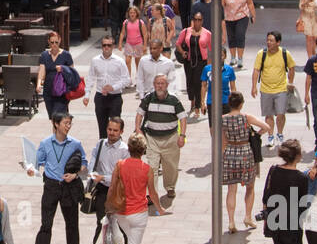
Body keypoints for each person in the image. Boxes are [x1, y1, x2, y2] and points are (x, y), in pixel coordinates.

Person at [109, 133, 168, 244]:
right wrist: (160, 209)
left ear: (129, 148)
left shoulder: (120, 165)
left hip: (121, 212)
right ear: (143, 151)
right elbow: (153, 193)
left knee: (130, 241)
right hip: (139, 213)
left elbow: (112, 187)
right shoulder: (147, 169)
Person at [27, 112, 85, 244]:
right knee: (46, 224)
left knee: (71, 223)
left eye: (69, 123)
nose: (68, 126)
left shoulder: (75, 143)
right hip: (51, 187)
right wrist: (31, 170)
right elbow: (36, 163)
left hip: (68, 187)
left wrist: (75, 174)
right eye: (65, 123)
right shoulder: (45, 143)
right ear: (56, 124)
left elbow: (85, 163)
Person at [135, 72, 189, 202]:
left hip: (170, 138)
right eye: (157, 83)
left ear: (167, 85)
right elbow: (139, 114)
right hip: (152, 138)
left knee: (170, 166)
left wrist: (182, 136)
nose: (160, 86)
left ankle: (170, 187)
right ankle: (152, 194)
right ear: (154, 85)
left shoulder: (174, 100)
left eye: (162, 84)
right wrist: (138, 129)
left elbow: (183, 118)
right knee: (152, 167)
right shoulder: (148, 98)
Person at [221, 92, 270, 233]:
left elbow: (223, 140)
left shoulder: (223, 119)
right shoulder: (246, 117)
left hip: (230, 152)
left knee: (231, 189)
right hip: (246, 152)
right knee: (250, 187)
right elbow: (266, 126)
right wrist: (256, 134)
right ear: (241, 104)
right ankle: (248, 216)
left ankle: (231, 221)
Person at [86, 118, 130, 244]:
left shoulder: (125, 150)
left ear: (121, 132)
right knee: (101, 224)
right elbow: (93, 163)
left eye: (115, 130)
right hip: (103, 190)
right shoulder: (100, 144)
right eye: (110, 129)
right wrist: (93, 175)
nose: (112, 133)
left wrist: (104, 177)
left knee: (120, 222)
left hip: (118, 191)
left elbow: (124, 176)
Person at [252, 31, 296, 148]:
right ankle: (270, 136)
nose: (268, 42)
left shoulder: (285, 53)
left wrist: (290, 83)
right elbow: (256, 70)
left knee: (281, 114)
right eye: (268, 40)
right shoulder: (262, 54)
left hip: (281, 89)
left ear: (278, 42)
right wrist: (253, 86)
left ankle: (280, 134)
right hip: (266, 90)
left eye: (271, 40)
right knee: (268, 115)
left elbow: (291, 68)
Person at [83, 36, 131, 140]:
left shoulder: (119, 61)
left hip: (115, 97)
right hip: (100, 97)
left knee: (115, 126)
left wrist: (113, 87)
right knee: (102, 127)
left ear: (113, 46)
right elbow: (90, 78)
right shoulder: (95, 60)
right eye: (104, 45)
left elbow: (127, 80)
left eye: (109, 45)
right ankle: (103, 150)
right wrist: (87, 95)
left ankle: (117, 148)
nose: (106, 47)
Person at [176, 11, 212, 117]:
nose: (197, 22)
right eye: (195, 19)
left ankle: (198, 106)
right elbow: (178, 44)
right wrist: (183, 52)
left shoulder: (207, 33)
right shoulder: (186, 31)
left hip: (202, 62)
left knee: (198, 83)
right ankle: (192, 101)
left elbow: (211, 49)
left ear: (202, 21)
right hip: (189, 61)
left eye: (199, 20)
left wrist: (209, 66)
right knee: (190, 83)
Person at [35, 31, 75, 120]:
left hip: (61, 92)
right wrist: (38, 84)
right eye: (52, 42)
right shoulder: (44, 55)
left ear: (60, 41)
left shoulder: (66, 55)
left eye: (56, 42)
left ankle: (59, 133)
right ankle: (57, 133)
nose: (54, 45)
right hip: (48, 91)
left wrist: (63, 69)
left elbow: (72, 73)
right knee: (53, 118)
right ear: (48, 42)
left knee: (58, 118)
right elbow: (42, 71)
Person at [223, 0, 255, 68]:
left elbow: (250, 3)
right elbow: (222, 5)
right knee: (231, 37)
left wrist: (253, 15)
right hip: (229, 17)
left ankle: (240, 58)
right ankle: (233, 58)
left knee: (240, 35)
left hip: (242, 15)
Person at [199, 57, 237, 127]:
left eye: (222, 55)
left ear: (225, 56)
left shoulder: (229, 69)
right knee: (213, 127)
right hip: (212, 102)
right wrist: (202, 103)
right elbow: (203, 86)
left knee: (226, 127)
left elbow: (233, 88)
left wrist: (234, 104)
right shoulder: (207, 69)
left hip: (226, 102)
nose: (219, 57)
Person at [118, 5, 146, 79]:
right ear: (128, 14)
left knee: (138, 62)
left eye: (134, 12)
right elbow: (122, 33)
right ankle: (128, 78)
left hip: (138, 44)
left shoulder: (140, 22)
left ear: (137, 13)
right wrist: (120, 43)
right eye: (131, 12)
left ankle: (139, 77)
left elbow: (145, 34)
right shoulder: (126, 22)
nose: (132, 14)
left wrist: (145, 45)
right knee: (127, 61)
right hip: (129, 44)